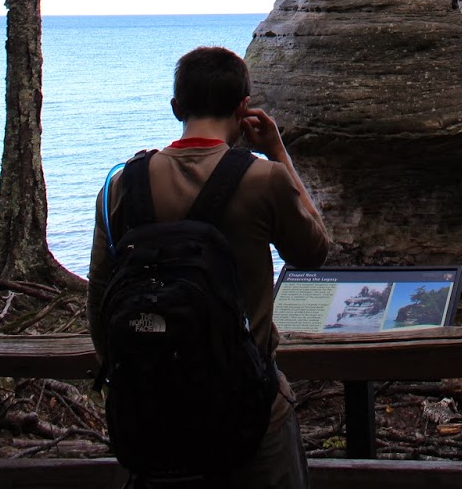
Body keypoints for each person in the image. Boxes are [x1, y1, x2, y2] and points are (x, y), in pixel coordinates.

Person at [87, 45, 329, 489]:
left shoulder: (122, 183)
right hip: (251, 410)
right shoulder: (263, 179)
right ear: (243, 108)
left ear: (176, 106)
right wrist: (278, 153)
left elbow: (100, 299)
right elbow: (315, 251)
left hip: (151, 412)